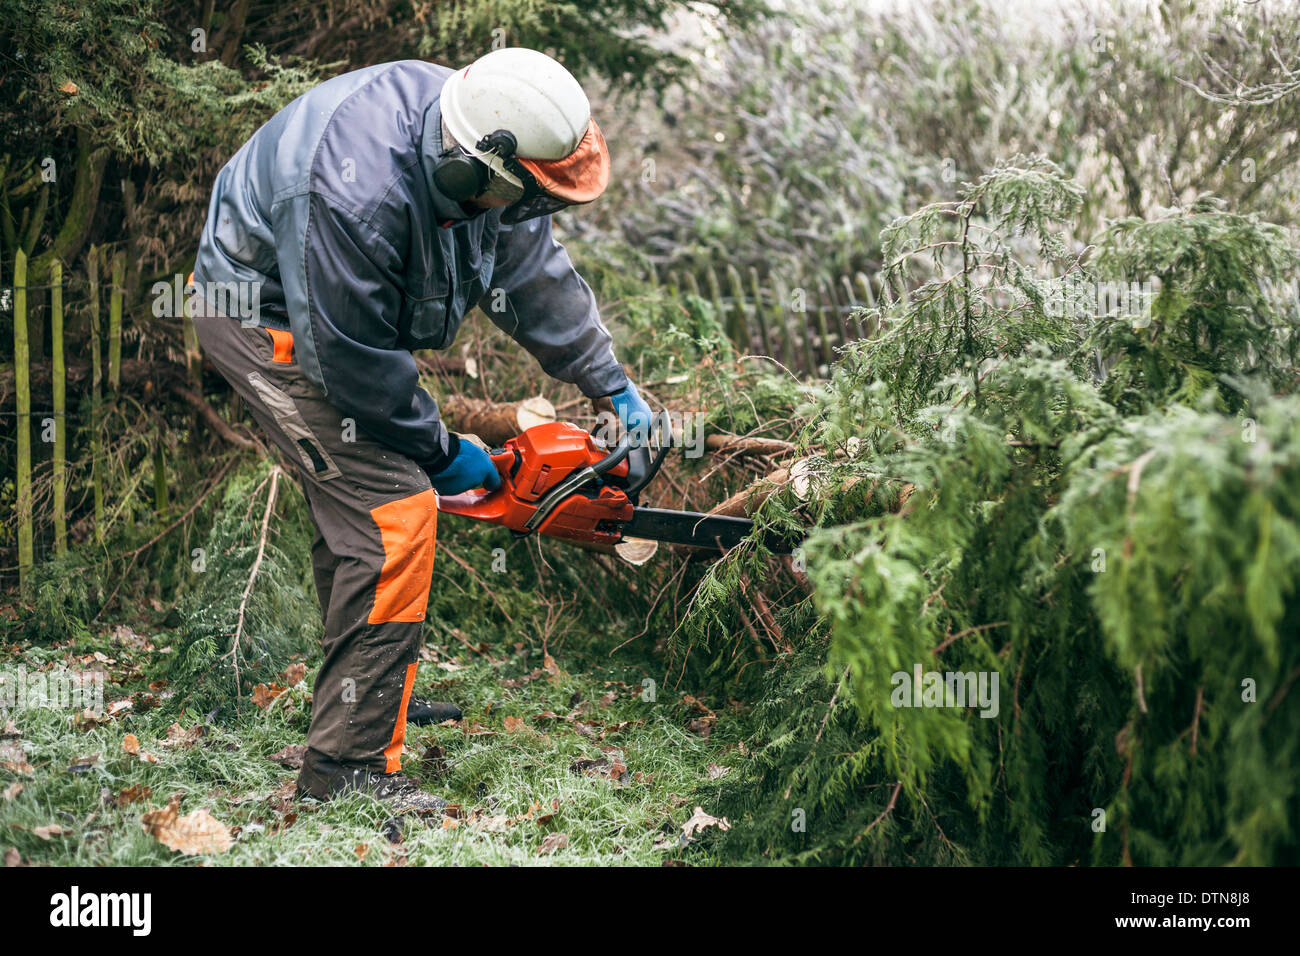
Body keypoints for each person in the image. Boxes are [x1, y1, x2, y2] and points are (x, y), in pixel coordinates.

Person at [190, 48, 652, 811]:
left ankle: (371, 699)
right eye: (520, 195)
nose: (525, 210)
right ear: (478, 171)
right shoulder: (354, 190)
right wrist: (442, 454)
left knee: (367, 512)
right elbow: (346, 361)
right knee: (393, 512)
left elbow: (535, 280)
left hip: (332, 327)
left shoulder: (493, 146)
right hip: (260, 322)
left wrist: (613, 386)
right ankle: (346, 767)